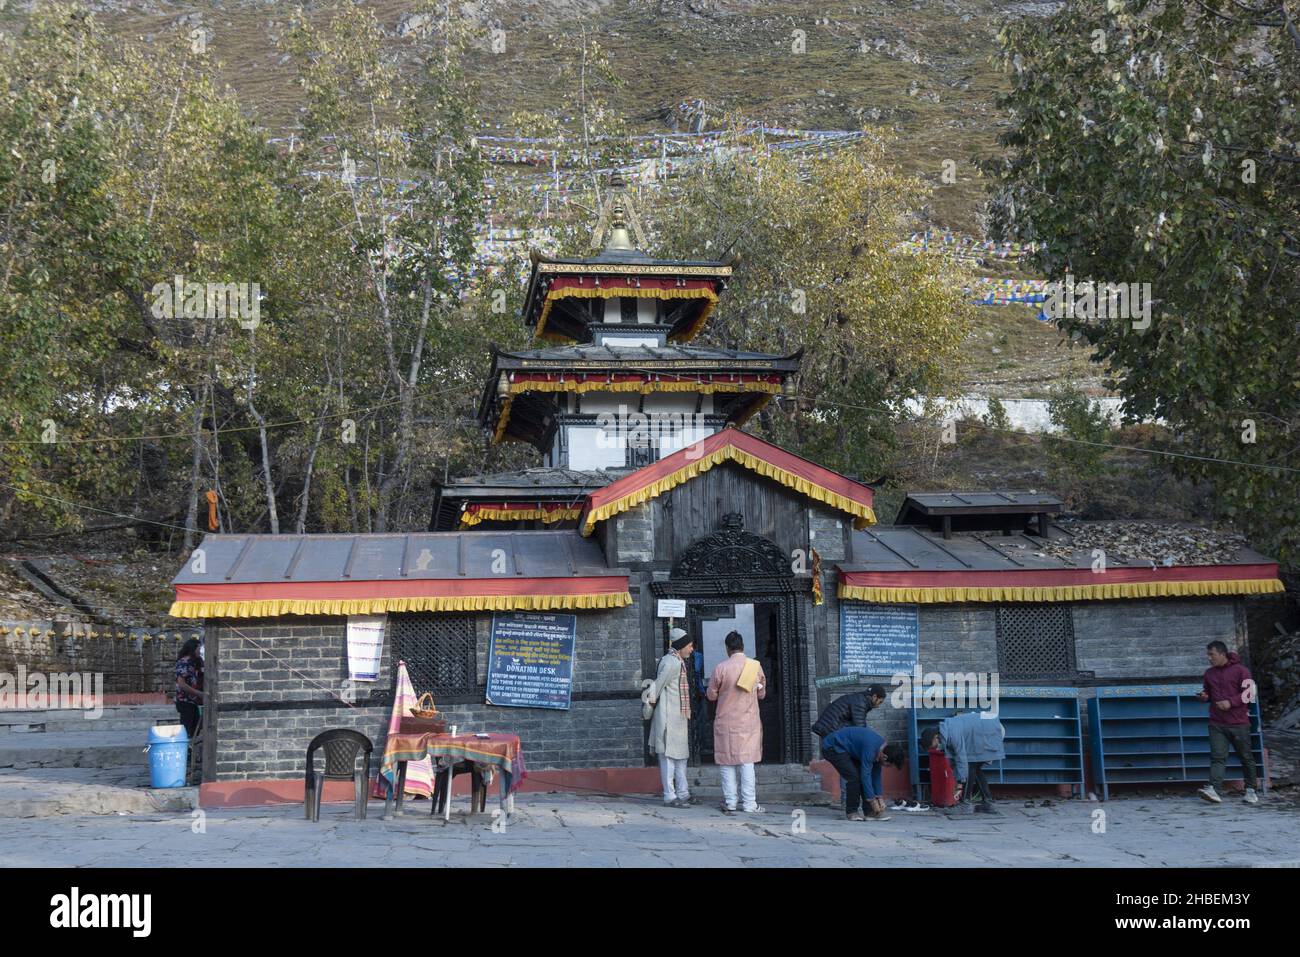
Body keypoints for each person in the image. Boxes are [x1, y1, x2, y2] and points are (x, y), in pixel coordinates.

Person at [706, 631, 766, 814]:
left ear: (727, 648)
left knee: (726, 761)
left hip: (726, 722)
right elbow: (762, 694)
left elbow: (711, 695)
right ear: (743, 647)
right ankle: (749, 804)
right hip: (748, 722)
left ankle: (731, 802)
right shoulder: (755, 666)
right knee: (747, 762)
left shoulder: (721, 668)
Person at [1196, 641, 1259, 805]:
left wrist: (1230, 703)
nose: (1209, 658)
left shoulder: (1241, 671)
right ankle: (1214, 790)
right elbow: (1208, 693)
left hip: (1239, 723)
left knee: (1246, 757)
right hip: (1216, 722)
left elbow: (1250, 693)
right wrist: (1204, 696)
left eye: (1212, 655)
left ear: (1222, 654)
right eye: (1208, 655)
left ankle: (1251, 790)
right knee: (1217, 757)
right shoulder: (1209, 673)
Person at [920, 711, 1006, 814]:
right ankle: (988, 804)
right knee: (975, 768)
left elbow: (961, 759)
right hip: (988, 727)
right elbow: (954, 760)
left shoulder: (951, 734)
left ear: (935, 737)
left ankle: (965, 805)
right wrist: (958, 779)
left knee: (970, 766)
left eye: (932, 746)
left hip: (991, 730)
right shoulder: (946, 731)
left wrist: (960, 784)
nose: (935, 748)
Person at [647, 628, 696, 808]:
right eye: (689, 645)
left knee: (681, 757)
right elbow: (657, 687)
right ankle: (669, 795)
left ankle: (683, 793)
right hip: (668, 716)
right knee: (668, 757)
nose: (691, 649)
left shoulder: (678, 661)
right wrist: (649, 703)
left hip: (679, 717)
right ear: (681, 646)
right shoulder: (671, 662)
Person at [820, 724, 906, 821]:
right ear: (885, 757)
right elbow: (866, 776)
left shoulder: (880, 751)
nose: (886, 767)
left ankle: (870, 813)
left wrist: (879, 797)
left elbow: (876, 776)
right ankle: (852, 812)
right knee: (854, 778)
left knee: (861, 777)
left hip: (849, 750)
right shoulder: (871, 749)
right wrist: (872, 800)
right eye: (888, 765)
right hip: (832, 747)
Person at [174, 637, 205, 738]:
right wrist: (198, 693)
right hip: (185, 700)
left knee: (196, 727)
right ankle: (185, 749)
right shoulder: (184, 662)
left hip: (193, 701)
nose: (200, 651)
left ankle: (192, 747)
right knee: (186, 727)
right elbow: (181, 683)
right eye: (198, 649)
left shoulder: (195, 662)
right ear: (193, 649)